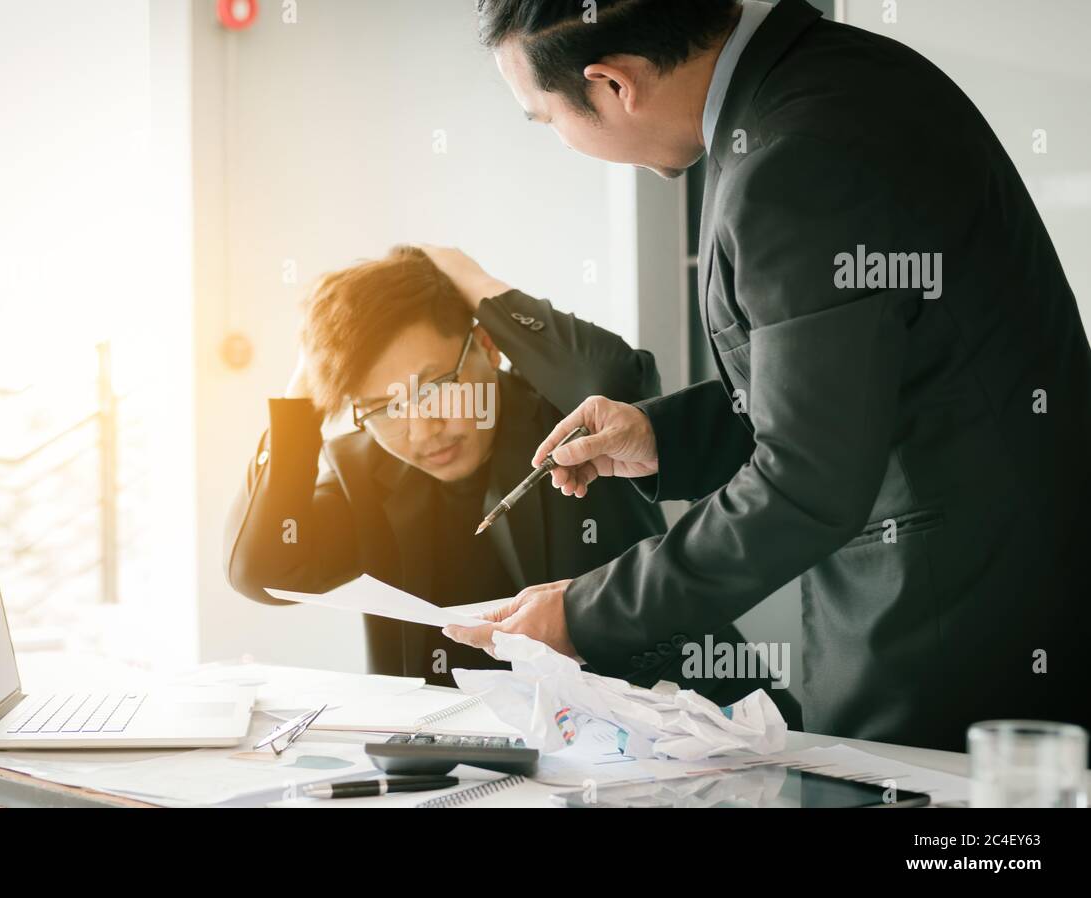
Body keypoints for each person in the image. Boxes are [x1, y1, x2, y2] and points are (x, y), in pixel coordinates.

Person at [443, 0, 1091, 752]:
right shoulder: (836, 76)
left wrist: (588, 614)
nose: (558, 138)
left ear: (614, 85)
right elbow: (858, 376)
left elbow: (806, 479)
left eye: (546, 118)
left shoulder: (791, 157)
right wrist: (664, 435)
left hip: (952, 629)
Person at [224, 245, 802, 726]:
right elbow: (263, 569)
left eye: (436, 386)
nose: (423, 428)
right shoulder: (361, 467)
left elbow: (612, 379)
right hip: (476, 770)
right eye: (381, 406)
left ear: (484, 344)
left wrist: (471, 280)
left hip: (691, 729)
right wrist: (307, 383)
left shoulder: (560, 411)